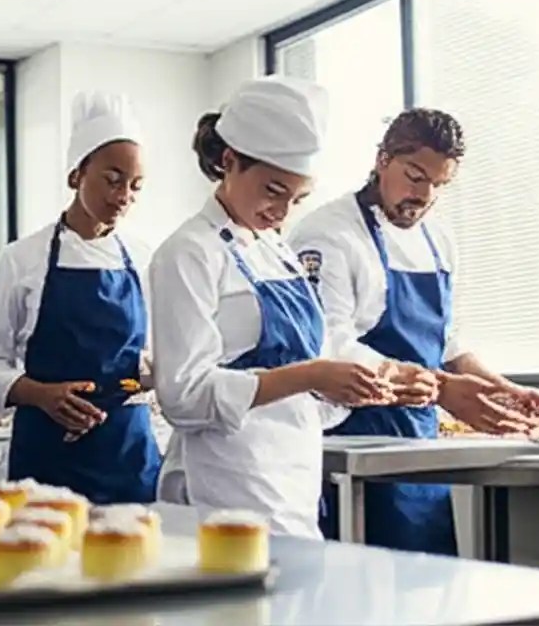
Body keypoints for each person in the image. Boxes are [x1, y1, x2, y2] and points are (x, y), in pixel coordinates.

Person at [288, 107, 539, 554]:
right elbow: (328, 345)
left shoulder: (438, 239)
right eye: (415, 176)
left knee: (428, 594)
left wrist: (501, 389)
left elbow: (446, 341)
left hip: (421, 446)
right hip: (353, 443)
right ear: (382, 159)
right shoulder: (328, 234)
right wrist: (442, 389)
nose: (423, 195)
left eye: (438, 185)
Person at [151, 76, 394, 537]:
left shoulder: (275, 250)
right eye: (273, 191)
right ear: (229, 162)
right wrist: (310, 375)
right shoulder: (188, 252)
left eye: (297, 199)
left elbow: (311, 375)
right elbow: (182, 395)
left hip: (293, 481)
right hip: (224, 485)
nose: (282, 213)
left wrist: (360, 384)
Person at [0, 91, 160, 503]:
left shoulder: (144, 260)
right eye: (112, 180)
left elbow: (151, 360)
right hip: (47, 457)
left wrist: (151, 377)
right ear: (76, 175)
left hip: (128, 453)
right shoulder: (23, 259)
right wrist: (42, 395)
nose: (124, 195)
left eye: (135, 186)